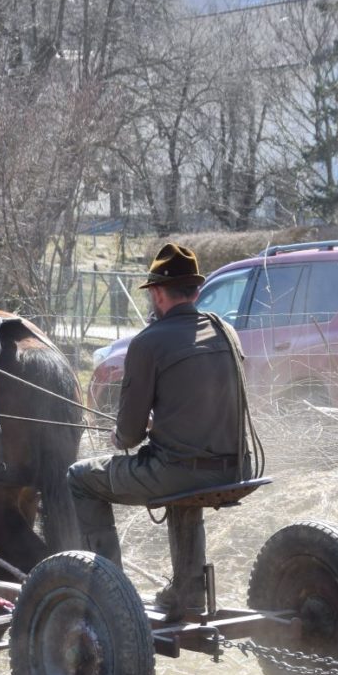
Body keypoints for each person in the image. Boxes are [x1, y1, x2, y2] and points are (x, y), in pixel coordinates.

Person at [67, 242, 252, 616]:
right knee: (183, 472)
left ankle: (111, 594)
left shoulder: (148, 342)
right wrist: (165, 424)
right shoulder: (226, 331)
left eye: (153, 292)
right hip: (236, 468)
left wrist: (119, 437)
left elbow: (130, 435)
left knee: (80, 478)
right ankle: (188, 591)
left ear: (157, 293)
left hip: (181, 472)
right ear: (196, 291)